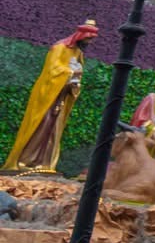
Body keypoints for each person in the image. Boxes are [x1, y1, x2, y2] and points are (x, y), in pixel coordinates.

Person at [4, 20, 99, 173]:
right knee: (42, 124)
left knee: (53, 129)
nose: (89, 43)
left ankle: (44, 163)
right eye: (88, 39)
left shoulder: (78, 53)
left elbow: (78, 74)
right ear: (80, 36)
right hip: (47, 94)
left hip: (62, 96)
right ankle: (25, 161)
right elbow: (52, 69)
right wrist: (70, 72)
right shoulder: (59, 47)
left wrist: (75, 82)